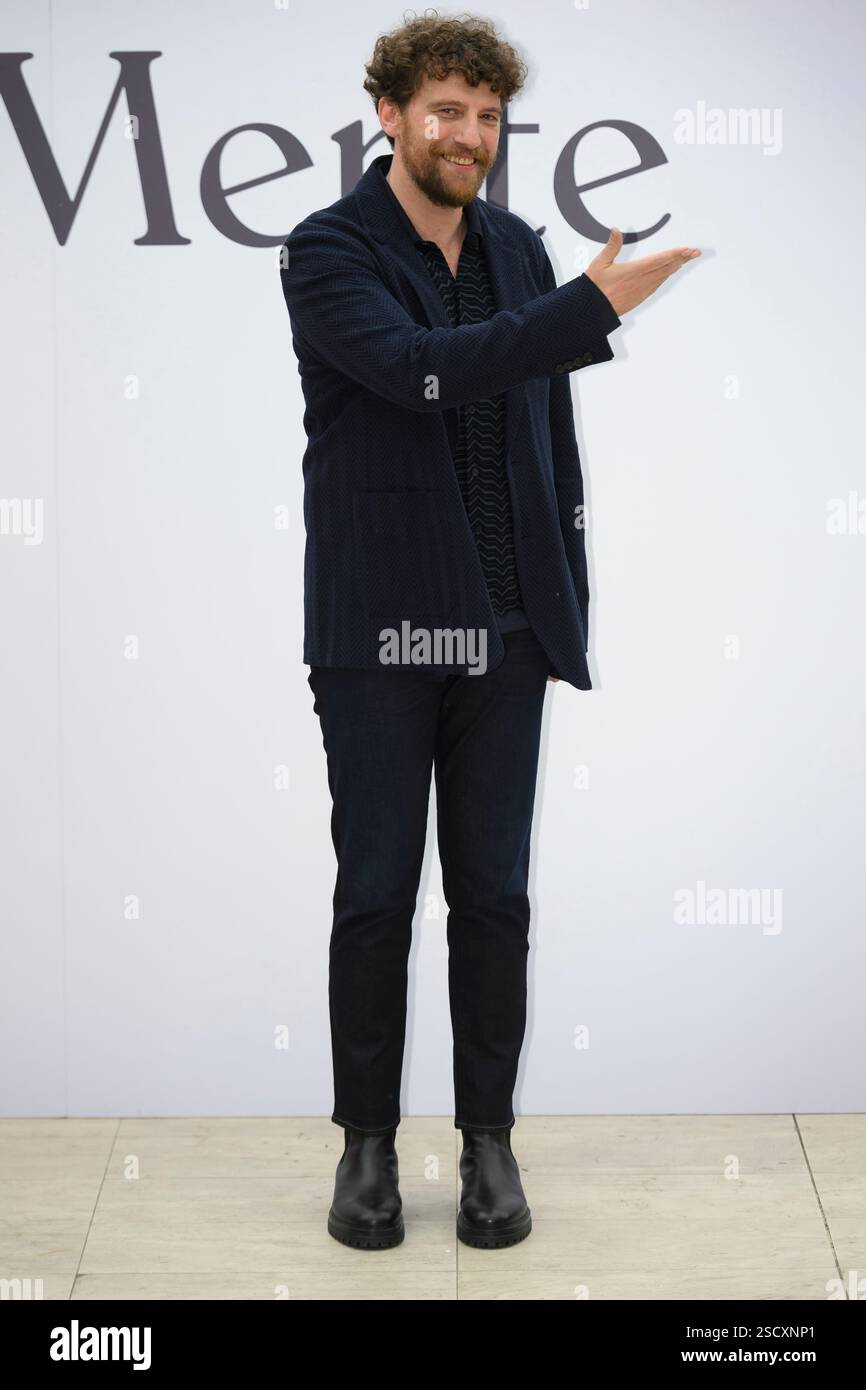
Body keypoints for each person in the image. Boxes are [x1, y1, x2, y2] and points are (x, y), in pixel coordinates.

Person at [278, 12, 700, 1251]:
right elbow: (422, 368)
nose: (468, 135)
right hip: (381, 629)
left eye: (486, 116)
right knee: (374, 895)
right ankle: (365, 1146)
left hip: (505, 634)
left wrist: (559, 604)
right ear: (390, 115)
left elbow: (543, 441)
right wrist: (585, 309)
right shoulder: (327, 249)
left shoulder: (516, 248)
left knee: (495, 900)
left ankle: (487, 1143)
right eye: (445, 111)